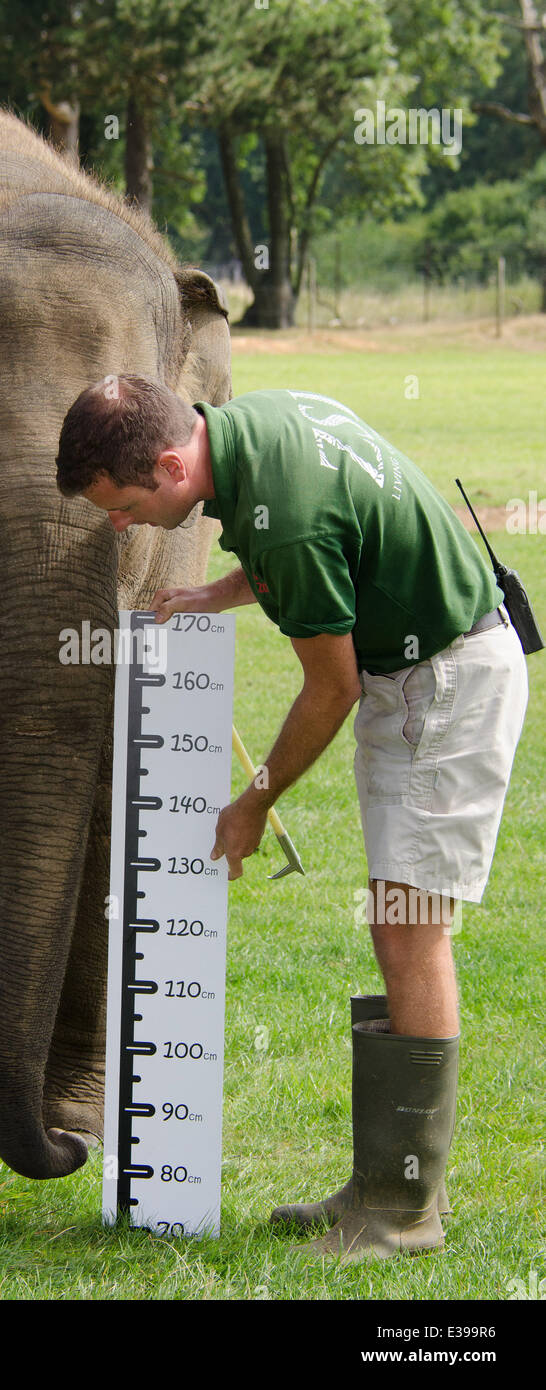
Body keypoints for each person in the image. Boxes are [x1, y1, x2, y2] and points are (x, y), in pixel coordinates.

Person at [55, 374, 529, 1262]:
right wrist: (217, 596)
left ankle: (402, 1212)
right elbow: (312, 548)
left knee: (410, 926)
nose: (119, 527)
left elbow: (331, 686)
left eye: (121, 508)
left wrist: (251, 802)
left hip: (444, 682)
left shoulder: (286, 510)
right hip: (419, 673)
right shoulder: (253, 430)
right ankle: (379, 1185)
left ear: (168, 463)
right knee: (400, 925)